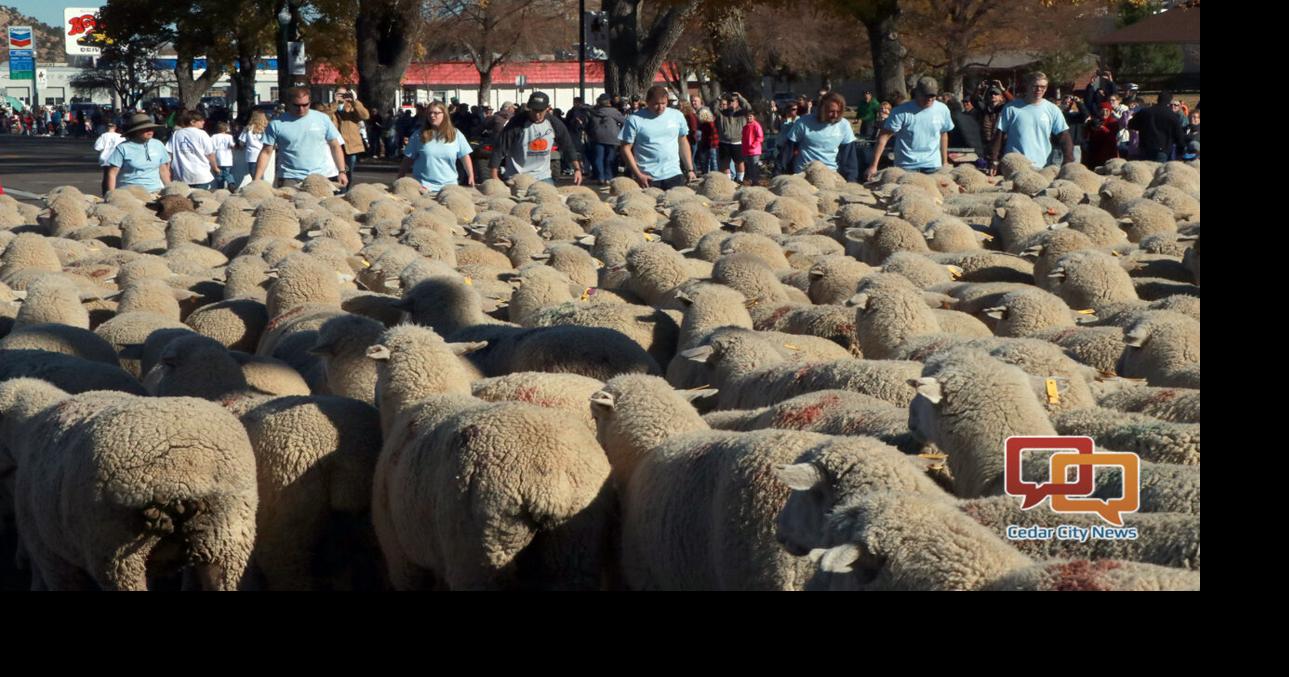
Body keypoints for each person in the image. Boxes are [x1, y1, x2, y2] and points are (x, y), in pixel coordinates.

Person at [254, 87, 347, 189]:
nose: (301, 109)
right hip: (289, 178)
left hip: (320, 177)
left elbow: (335, 146)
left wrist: (341, 171)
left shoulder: (322, 119)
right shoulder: (276, 123)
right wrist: (257, 179)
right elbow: (266, 152)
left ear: (310, 102)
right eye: (297, 105)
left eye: (305, 105)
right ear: (289, 103)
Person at [865, 77, 954, 180]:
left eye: (932, 95)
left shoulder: (942, 109)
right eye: (926, 95)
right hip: (906, 166)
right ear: (917, 93)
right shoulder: (901, 111)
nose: (929, 99)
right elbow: (883, 137)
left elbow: (943, 135)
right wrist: (873, 165)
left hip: (933, 165)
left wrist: (945, 161)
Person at [489, 91, 582, 185]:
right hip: (516, 175)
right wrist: (494, 175)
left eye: (540, 111)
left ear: (547, 108)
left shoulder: (554, 123)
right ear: (529, 108)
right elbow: (500, 147)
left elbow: (567, 146)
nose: (537, 115)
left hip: (542, 176)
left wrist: (577, 169)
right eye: (534, 110)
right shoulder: (517, 123)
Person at [989, 71, 1073, 173]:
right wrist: (994, 160)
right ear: (1027, 86)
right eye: (1035, 86)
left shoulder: (1052, 109)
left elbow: (1064, 136)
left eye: (1043, 87)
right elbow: (999, 135)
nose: (1039, 89)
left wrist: (1068, 160)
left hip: (1042, 166)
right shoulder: (1011, 108)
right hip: (1015, 165)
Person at [617, 85, 697, 190]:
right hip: (647, 176)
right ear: (647, 102)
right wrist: (638, 174)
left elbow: (683, 142)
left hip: (674, 174)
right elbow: (625, 148)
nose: (660, 108)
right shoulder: (634, 119)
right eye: (656, 104)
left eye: (663, 103)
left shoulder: (677, 116)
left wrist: (690, 169)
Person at [779, 91, 859, 180]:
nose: (835, 115)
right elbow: (787, 151)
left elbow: (849, 157)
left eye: (838, 111)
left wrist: (851, 179)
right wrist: (780, 173)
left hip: (830, 175)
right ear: (822, 109)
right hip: (804, 175)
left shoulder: (844, 125)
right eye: (831, 111)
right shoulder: (803, 123)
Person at [398, 100, 474, 192]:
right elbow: (408, 159)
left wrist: (471, 175)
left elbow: (465, 157)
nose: (432, 116)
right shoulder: (418, 135)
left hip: (449, 188)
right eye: (429, 113)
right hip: (423, 187)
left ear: (444, 115)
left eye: (436, 113)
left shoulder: (456, 134)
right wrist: (400, 176)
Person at [106, 112, 171, 193]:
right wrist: (111, 194)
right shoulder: (123, 147)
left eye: (151, 128)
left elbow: (163, 170)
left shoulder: (158, 144)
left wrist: (169, 190)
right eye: (145, 129)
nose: (150, 131)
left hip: (154, 191)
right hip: (129, 193)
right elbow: (112, 173)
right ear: (136, 131)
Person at [166, 109, 221, 189]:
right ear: (192, 122)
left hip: (182, 175)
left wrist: (169, 171)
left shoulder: (176, 134)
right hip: (201, 175)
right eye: (201, 120)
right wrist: (215, 168)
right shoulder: (202, 134)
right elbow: (209, 154)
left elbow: (169, 154)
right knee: (201, 198)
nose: (203, 122)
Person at [1127, 91, 1186, 162]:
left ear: (1158, 99)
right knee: (1158, 171)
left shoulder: (1145, 112)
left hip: (1145, 147)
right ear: (1169, 101)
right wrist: (1181, 150)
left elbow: (1131, 125)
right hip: (1162, 149)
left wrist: (1143, 127)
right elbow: (1178, 134)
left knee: (1146, 171)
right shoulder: (1172, 115)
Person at [332, 86, 370, 186]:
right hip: (335, 145)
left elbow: (365, 116)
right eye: (339, 94)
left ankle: (345, 192)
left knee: (348, 173)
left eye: (344, 95)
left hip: (350, 146)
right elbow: (325, 117)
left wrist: (354, 101)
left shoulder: (353, 107)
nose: (342, 97)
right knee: (335, 172)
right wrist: (334, 104)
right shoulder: (330, 107)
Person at [586, 93, 626, 185]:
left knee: (598, 158)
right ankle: (609, 177)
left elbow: (588, 125)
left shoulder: (593, 112)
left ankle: (600, 177)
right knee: (610, 158)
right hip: (612, 138)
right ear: (609, 102)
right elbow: (624, 122)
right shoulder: (614, 112)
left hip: (597, 138)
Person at [716, 92, 750, 182]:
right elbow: (713, 108)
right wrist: (719, 98)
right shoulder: (722, 113)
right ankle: (728, 182)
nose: (731, 103)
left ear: (737, 103)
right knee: (725, 163)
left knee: (739, 162)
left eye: (734, 101)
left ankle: (740, 180)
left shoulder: (742, 113)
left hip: (737, 142)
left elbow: (748, 108)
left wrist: (740, 97)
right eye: (729, 101)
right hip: (724, 142)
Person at [236, 110, 272, 188]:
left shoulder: (247, 129)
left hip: (252, 156)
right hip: (263, 156)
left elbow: (241, 142)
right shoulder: (266, 129)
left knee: (254, 177)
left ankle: (257, 192)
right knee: (260, 176)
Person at [1084, 102, 1120, 170]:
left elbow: (1112, 137)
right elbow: (1087, 135)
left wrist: (1103, 128)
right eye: (1102, 110)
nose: (1104, 113)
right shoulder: (1095, 121)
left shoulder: (1113, 122)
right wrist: (1088, 125)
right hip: (1095, 153)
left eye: (1107, 111)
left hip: (1108, 153)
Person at [94, 121, 125, 196]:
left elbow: (97, 147)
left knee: (106, 176)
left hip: (105, 158)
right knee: (117, 176)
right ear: (115, 128)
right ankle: (116, 192)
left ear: (106, 128)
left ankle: (105, 193)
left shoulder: (103, 136)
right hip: (117, 158)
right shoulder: (120, 136)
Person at [210, 121, 236, 190]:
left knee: (219, 174)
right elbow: (232, 145)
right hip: (227, 157)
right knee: (227, 172)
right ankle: (231, 182)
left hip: (218, 157)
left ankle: (220, 188)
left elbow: (210, 145)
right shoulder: (229, 136)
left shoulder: (214, 136)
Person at [741, 109, 764, 186]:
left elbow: (760, 137)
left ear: (754, 117)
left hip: (754, 150)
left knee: (754, 166)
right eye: (747, 117)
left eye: (750, 116)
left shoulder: (756, 125)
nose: (749, 118)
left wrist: (753, 145)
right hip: (747, 150)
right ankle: (752, 181)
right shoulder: (745, 127)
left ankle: (756, 181)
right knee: (749, 167)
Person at [697, 108, 720, 174]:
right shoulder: (711, 123)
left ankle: (712, 175)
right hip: (710, 144)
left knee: (711, 162)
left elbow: (711, 135)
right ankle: (712, 174)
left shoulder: (707, 124)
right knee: (712, 161)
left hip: (710, 144)